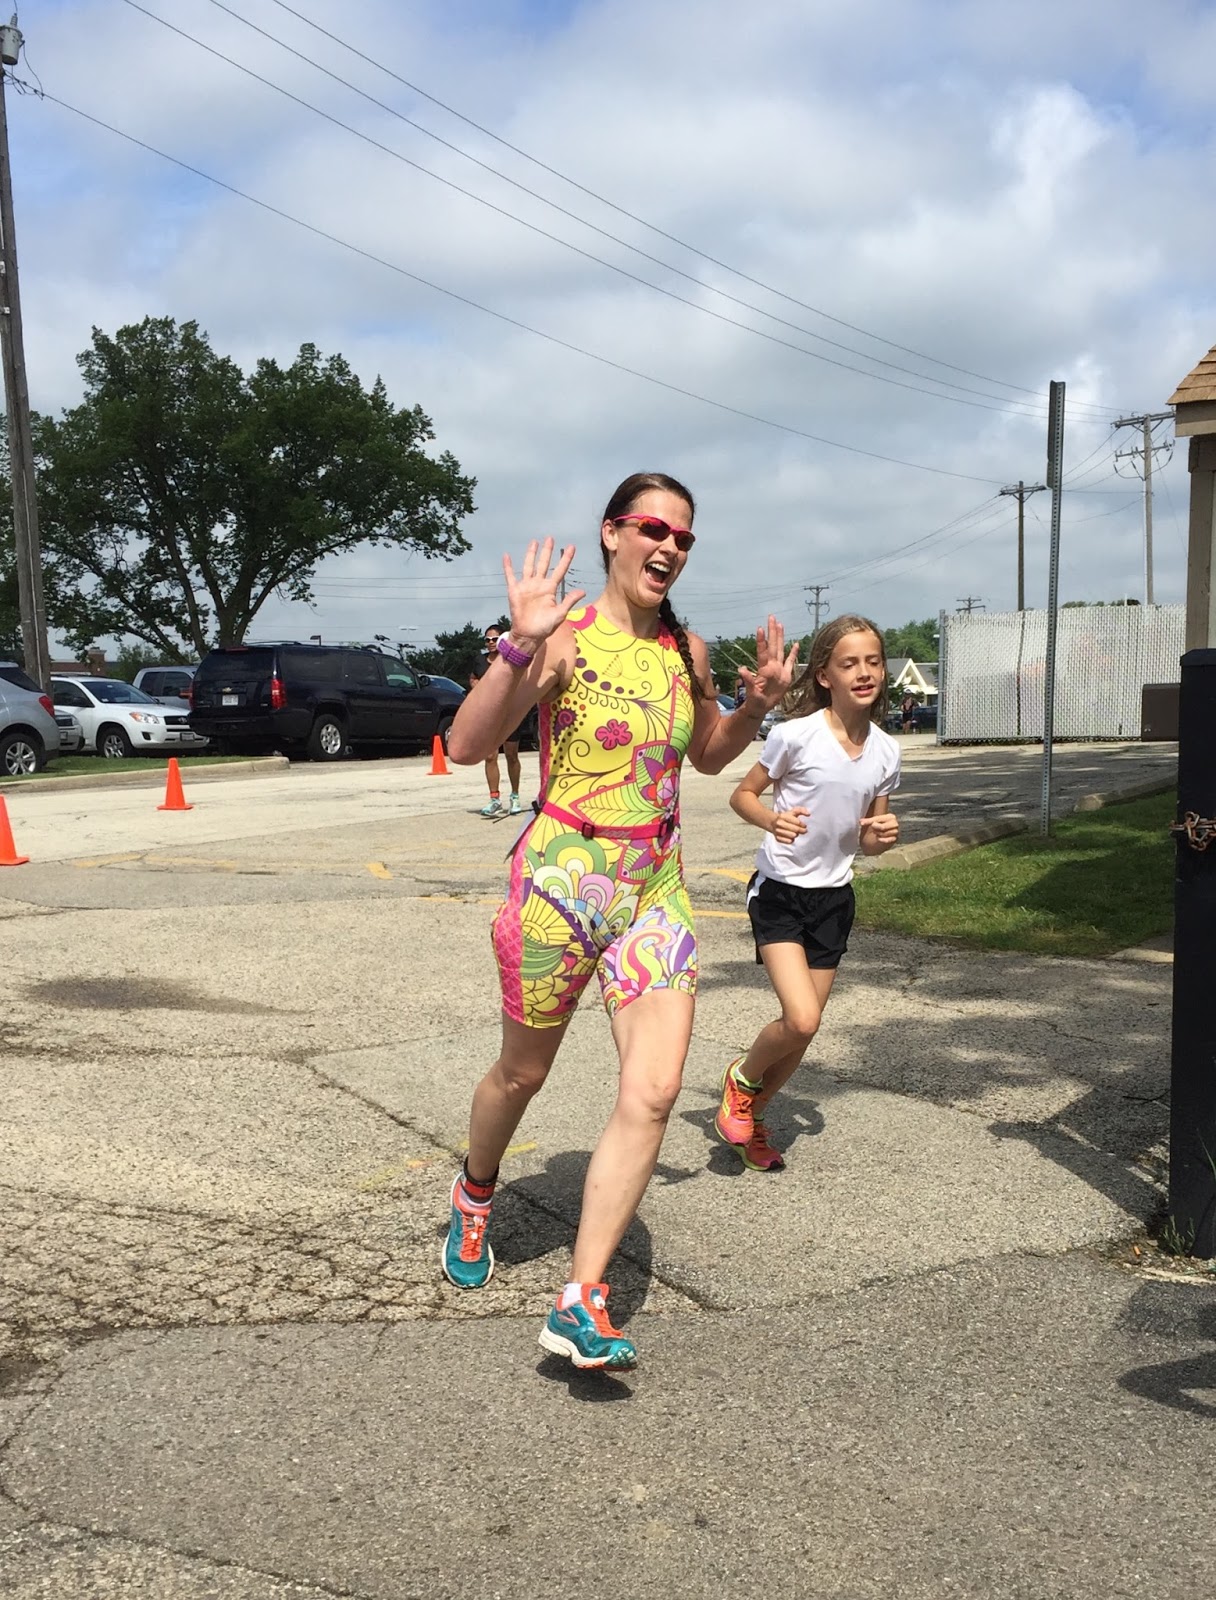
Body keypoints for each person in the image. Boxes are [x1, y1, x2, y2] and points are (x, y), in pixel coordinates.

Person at [440, 472, 798, 1370]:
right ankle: (476, 1190)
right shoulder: (560, 637)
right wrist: (519, 646)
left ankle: (582, 1298)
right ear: (611, 533)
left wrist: (755, 707)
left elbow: (706, 755)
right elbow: (469, 744)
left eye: (683, 537)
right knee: (521, 1075)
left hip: (653, 890)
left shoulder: (685, 649)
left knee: (654, 1090)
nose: (669, 546)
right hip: (561, 884)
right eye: (652, 529)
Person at [716, 614, 901, 1172]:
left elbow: (869, 839)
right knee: (800, 1019)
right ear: (825, 675)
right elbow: (742, 796)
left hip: (833, 900)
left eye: (873, 661)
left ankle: (751, 1121)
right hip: (779, 892)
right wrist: (772, 821)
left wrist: (879, 839)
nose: (864, 673)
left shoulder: (886, 751)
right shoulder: (796, 735)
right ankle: (741, 1078)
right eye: (849, 663)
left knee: (803, 1034)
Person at [471, 625, 525, 817]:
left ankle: (515, 796)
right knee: (490, 756)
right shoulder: (480, 660)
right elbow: (473, 677)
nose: (490, 643)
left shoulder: (511, 659)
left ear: (503, 639)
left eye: (494, 639)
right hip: (489, 715)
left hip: (509, 713)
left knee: (511, 755)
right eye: (487, 640)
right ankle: (494, 799)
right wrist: (476, 685)